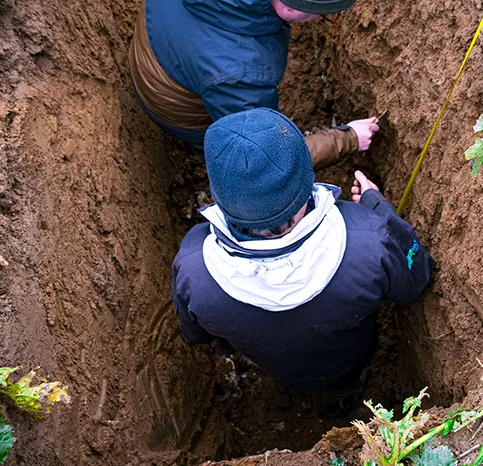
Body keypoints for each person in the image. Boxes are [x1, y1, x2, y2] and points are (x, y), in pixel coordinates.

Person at [171, 108, 434, 403]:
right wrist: (378, 209)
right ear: (305, 184)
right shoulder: (369, 238)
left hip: (278, 366)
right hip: (346, 360)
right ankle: (343, 398)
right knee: (344, 383)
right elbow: (416, 279)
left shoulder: (194, 266)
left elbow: (196, 333)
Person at [130, 0, 379, 168]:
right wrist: (347, 139)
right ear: (291, 8)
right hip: (165, 98)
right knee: (241, 166)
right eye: (326, 14)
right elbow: (264, 158)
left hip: (154, 31)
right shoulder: (241, 71)